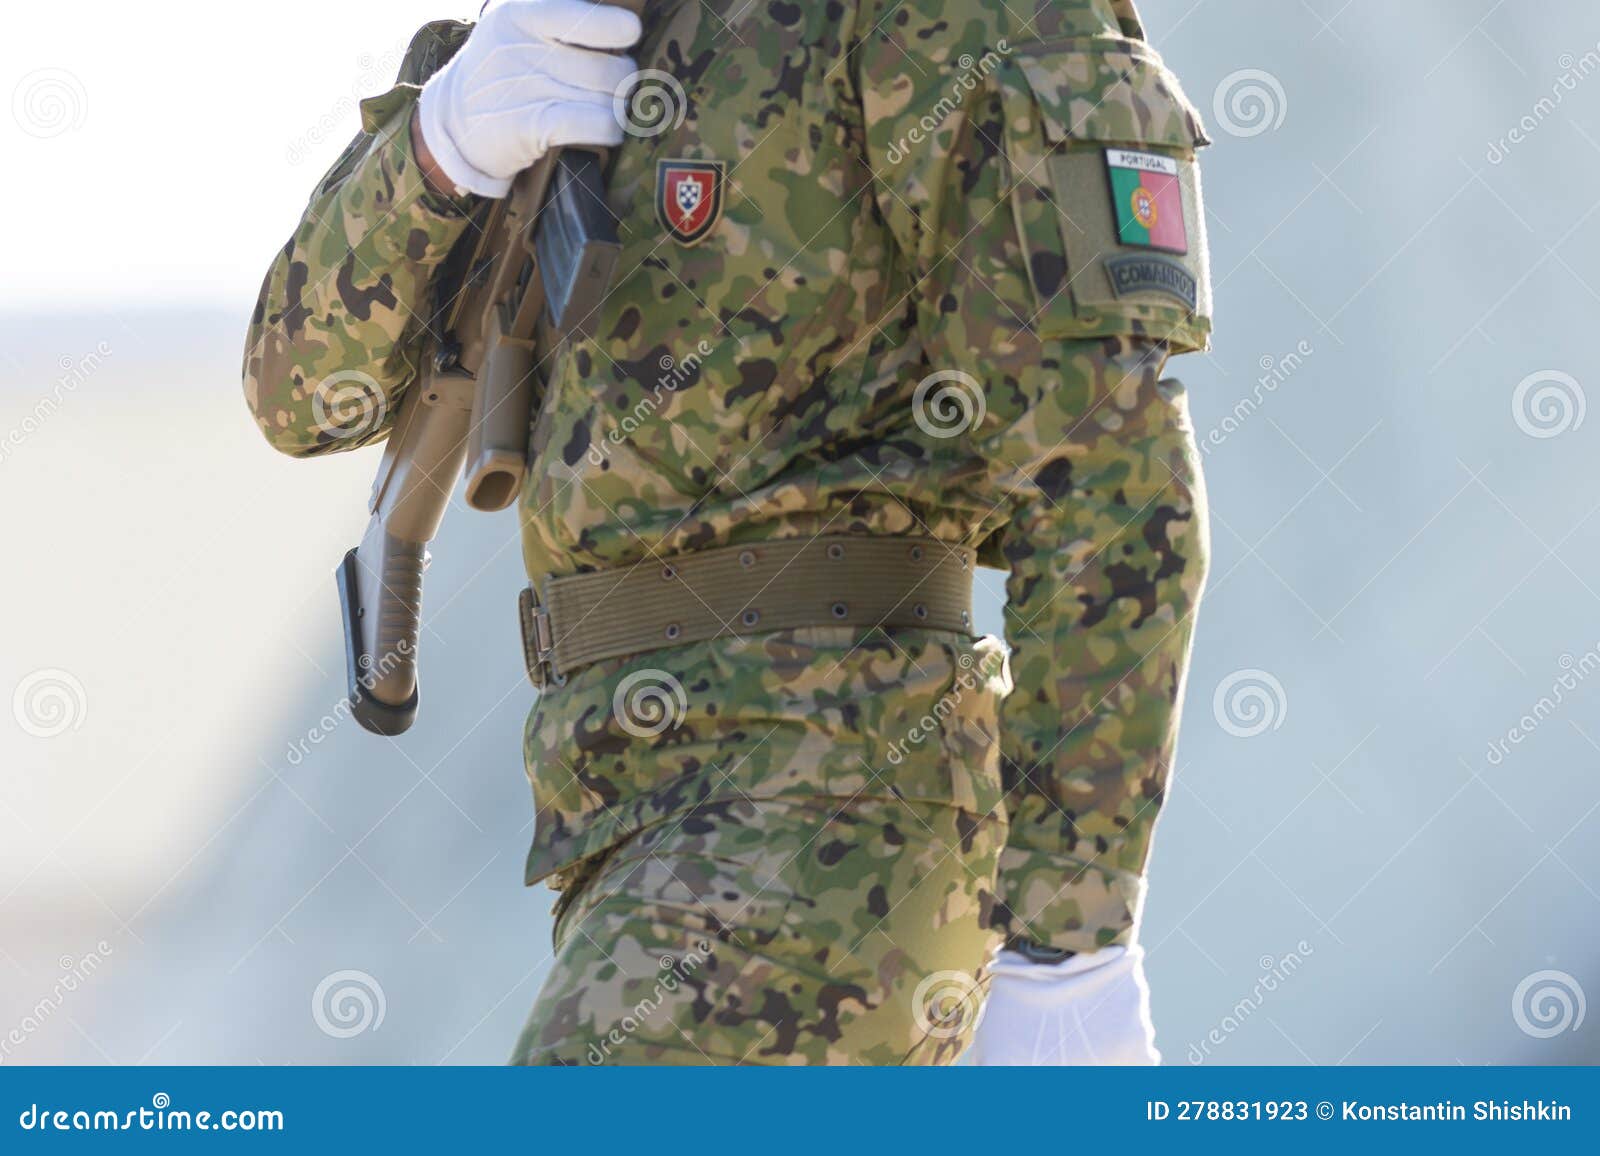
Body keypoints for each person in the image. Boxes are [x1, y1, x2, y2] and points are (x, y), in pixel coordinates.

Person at [243, 0, 1212, 1064]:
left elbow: (1111, 468)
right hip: (621, 810)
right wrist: (441, 145)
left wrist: (1069, 951)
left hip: (833, 796)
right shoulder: (564, 18)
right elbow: (301, 397)